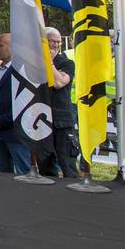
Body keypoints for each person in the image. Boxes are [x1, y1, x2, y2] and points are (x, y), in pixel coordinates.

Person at [0, 33, 29, 174]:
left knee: (23, 171)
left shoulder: (21, 72)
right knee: (2, 172)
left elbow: (23, 104)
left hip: (14, 132)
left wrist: (2, 121)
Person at [44, 27, 79, 178]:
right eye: (52, 41)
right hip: (42, 119)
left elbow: (58, 82)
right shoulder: (35, 63)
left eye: (58, 42)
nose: (56, 45)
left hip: (62, 121)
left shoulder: (66, 63)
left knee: (67, 163)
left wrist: (49, 62)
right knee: (45, 164)